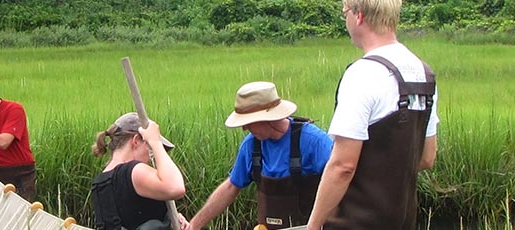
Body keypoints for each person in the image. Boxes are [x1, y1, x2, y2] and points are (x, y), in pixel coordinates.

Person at [307, 1, 439, 229]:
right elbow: (427, 157)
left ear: (358, 16)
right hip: (403, 221)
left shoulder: (363, 73)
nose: (345, 20)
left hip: (355, 222)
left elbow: (342, 167)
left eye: (344, 13)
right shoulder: (424, 72)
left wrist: (313, 226)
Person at [187, 82, 333, 230]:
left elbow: (342, 180)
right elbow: (231, 187)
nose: (244, 128)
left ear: (267, 119)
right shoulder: (251, 145)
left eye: (248, 123)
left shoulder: (314, 142)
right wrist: (194, 225)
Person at [90, 112, 188, 230]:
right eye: (149, 148)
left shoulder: (100, 183)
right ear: (136, 140)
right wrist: (155, 143)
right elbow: (176, 188)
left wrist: (171, 217)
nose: (150, 156)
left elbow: (134, 216)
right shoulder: (134, 171)